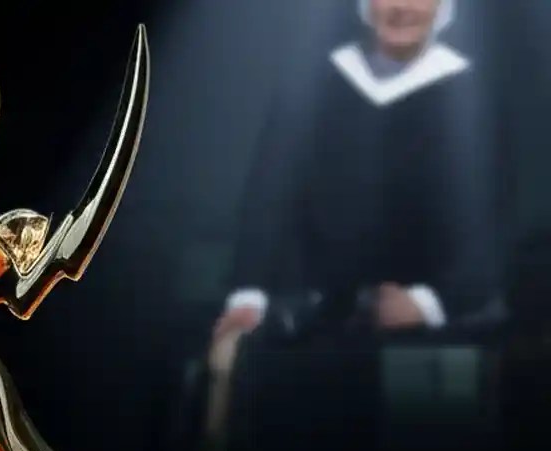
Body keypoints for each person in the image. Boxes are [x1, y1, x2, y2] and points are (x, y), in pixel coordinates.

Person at [214, 0, 500, 344]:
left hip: (426, 336)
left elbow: (491, 218)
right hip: (308, 324)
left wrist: (431, 303)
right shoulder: (316, 82)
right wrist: (249, 292)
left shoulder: (471, 96)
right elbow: (270, 192)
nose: (402, 6)